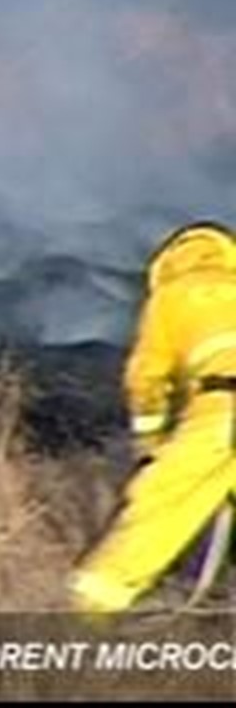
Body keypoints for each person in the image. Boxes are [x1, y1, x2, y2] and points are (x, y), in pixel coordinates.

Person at [67, 220, 236, 616]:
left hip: (220, 415)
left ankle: (85, 612)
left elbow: (147, 380)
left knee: (158, 508)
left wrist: (151, 444)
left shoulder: (171, 296)